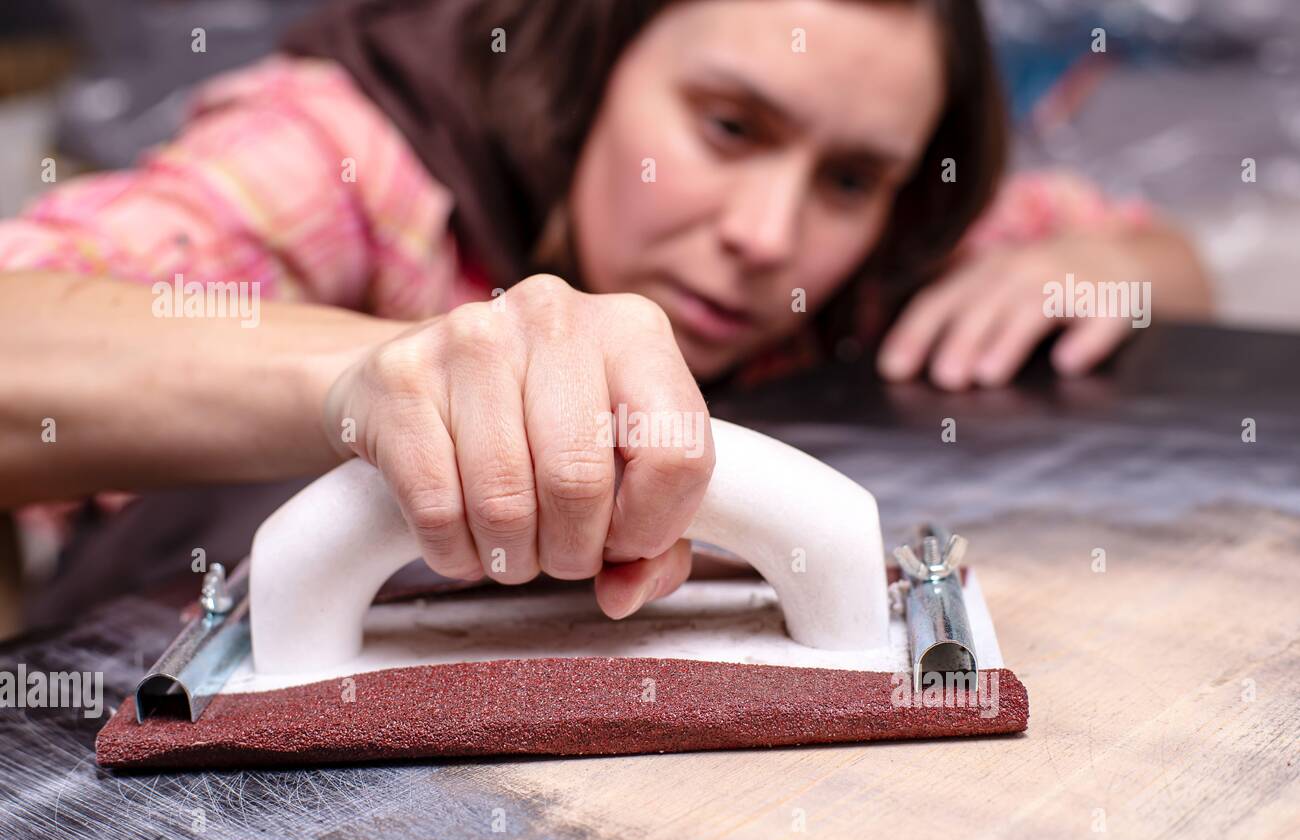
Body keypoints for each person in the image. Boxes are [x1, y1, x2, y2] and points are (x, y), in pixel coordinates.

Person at [0, 0, 1210, 625]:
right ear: (593, 61)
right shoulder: (347, 153)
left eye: (848, 178)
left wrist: (1109, 264)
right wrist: (389, 380)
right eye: (729, 127)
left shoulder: (882, 245)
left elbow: (1172, 260)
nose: (769, 235)